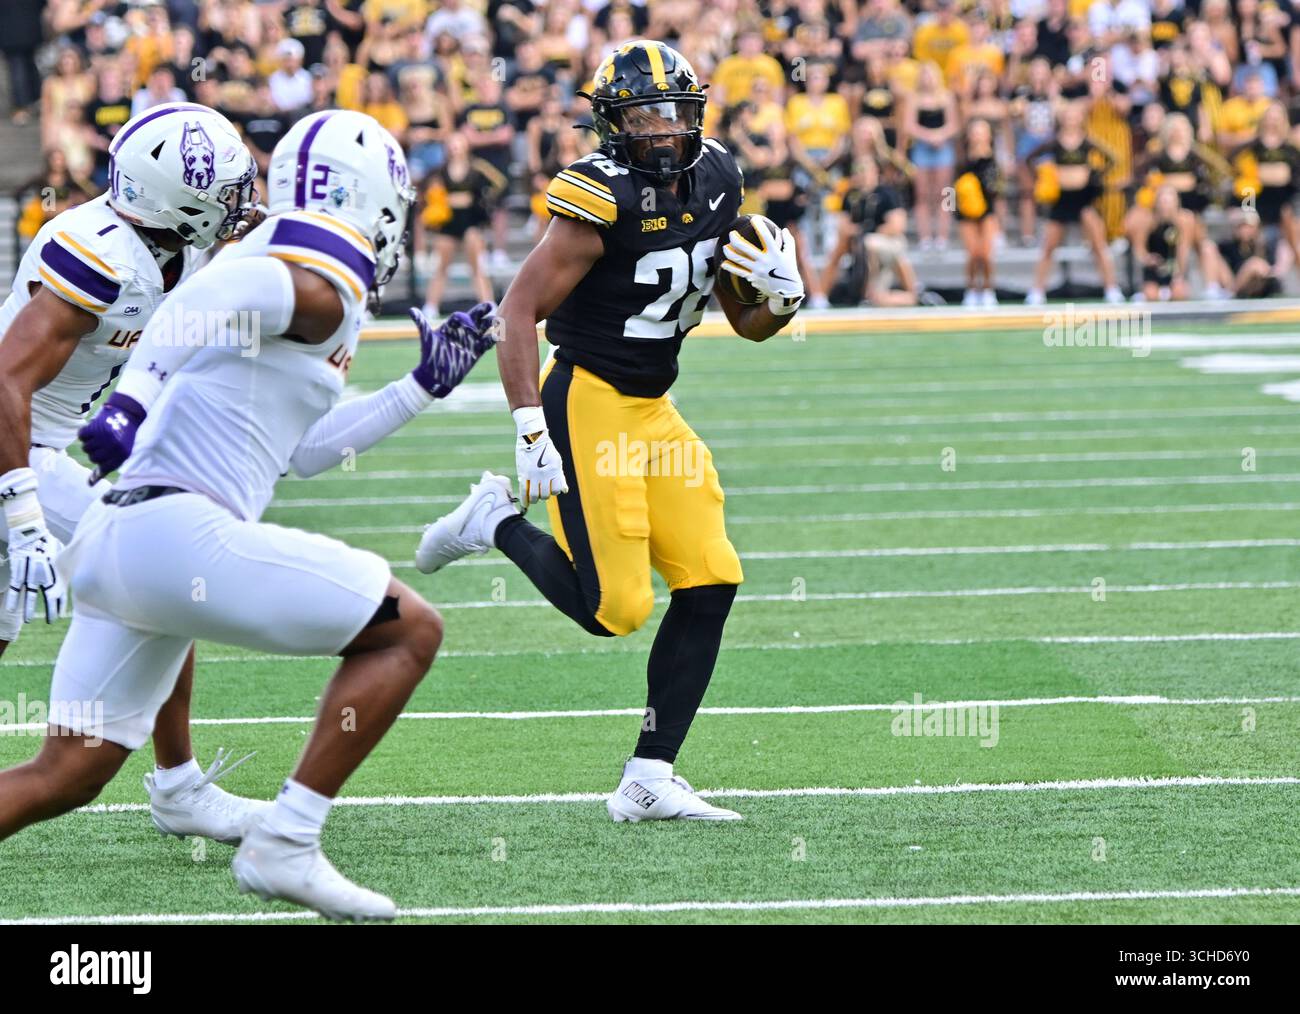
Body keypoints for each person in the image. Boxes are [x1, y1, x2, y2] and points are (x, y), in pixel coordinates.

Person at [1, 109, 498, 922]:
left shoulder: (247, 262)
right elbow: (223, 297)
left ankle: (183, 786)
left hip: (119, 539)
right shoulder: (313, 267)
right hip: (150, 522)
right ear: (371, 198)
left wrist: (419, 389)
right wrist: (126, 405)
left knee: (64, 775)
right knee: (410, 631)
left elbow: (305, 451)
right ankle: (287, 841)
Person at [416, 42, 804, 823]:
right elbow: (517, 312)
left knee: (711, 577)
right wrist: (529, 423)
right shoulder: (602, 201)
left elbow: (746, 323)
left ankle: (648, 776)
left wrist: (783, 300)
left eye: (675, 113)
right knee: (613, 609)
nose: (663, 130)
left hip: (653, 405)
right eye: (643, 116)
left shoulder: (722, 178)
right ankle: (493, 518)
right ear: (611, 125)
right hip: (586, 399)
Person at [0, 103, 270, 847]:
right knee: (157, 569)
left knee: (162, 576)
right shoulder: (100, 255)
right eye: (225, 191)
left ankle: (178, 784)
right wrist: (20, 511)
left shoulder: (174, 243)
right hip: (17, 443)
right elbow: (6, 381)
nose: (240, 203)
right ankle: (171, 784)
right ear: (178, 202)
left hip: (52, 447)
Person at [954, 117, 1002, 306]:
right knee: (973, 254)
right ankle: (972, 289)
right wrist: (954, 210)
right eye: (974, 132)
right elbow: (949, 190)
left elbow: (997, 191)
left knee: (986, 254)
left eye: (981, 131)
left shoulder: (993, 160)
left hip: (987, 212)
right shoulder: (962, 160)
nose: (978, 136)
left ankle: (989, 290)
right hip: (966, 215)